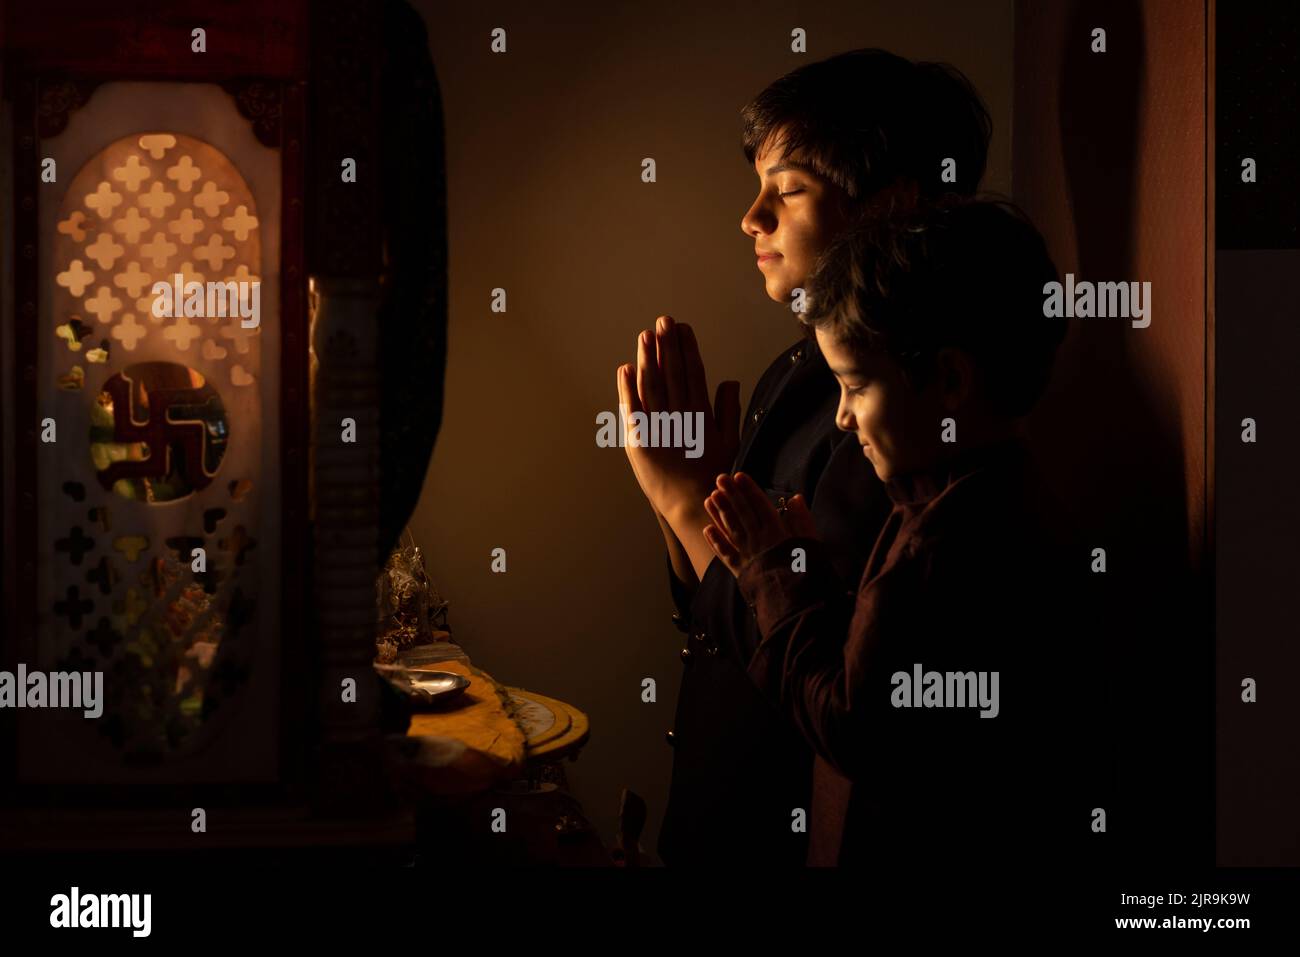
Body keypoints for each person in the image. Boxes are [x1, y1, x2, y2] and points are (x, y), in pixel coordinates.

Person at [614, 49, 993, 866]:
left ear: (894, 206)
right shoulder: (796, 369)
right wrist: (692, 505)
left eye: (786, 190)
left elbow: (825, 652)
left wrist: (684, 500)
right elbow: (714, 614)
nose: (752, 217)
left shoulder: (901, 414)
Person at [701, 198, 1083, 866]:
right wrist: (808, 574)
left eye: (855, 385)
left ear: (950, 379)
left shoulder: (947, 545)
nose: (843, 418)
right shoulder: (962, 500)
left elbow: (853, 725)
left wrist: (772, 577)